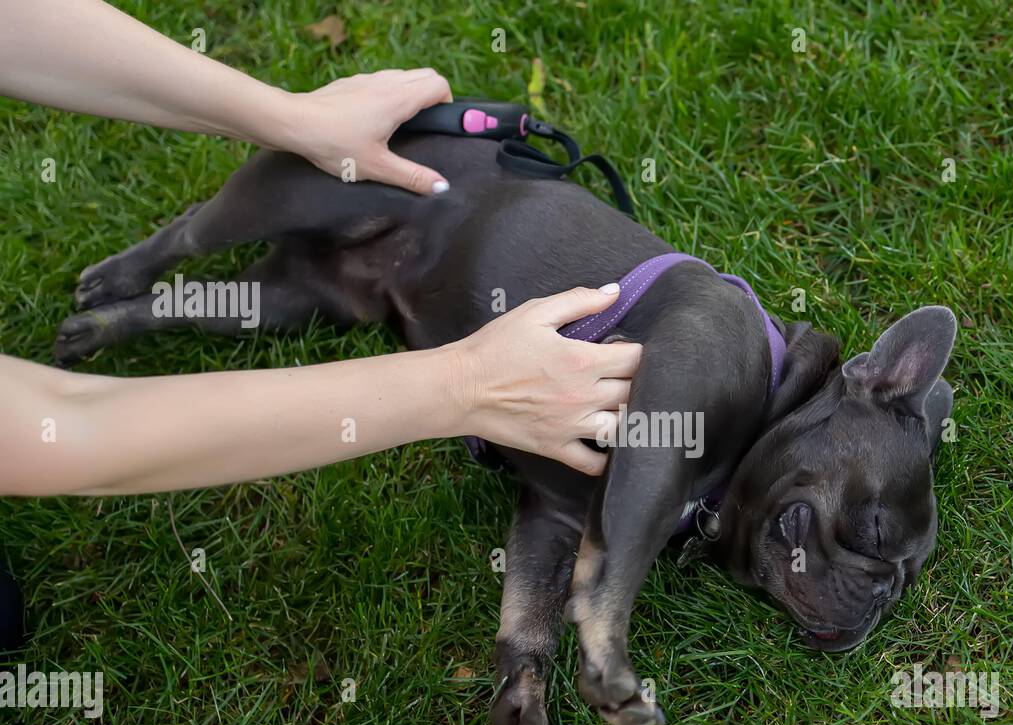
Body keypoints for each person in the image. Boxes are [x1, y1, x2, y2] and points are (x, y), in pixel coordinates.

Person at [0, 0, 642, 647]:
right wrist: (464, 387)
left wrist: (297, 117)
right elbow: (69, 428)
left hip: (421, 222)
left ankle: (153, 296)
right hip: (396, 271)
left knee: (276, 296)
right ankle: (162, 256)